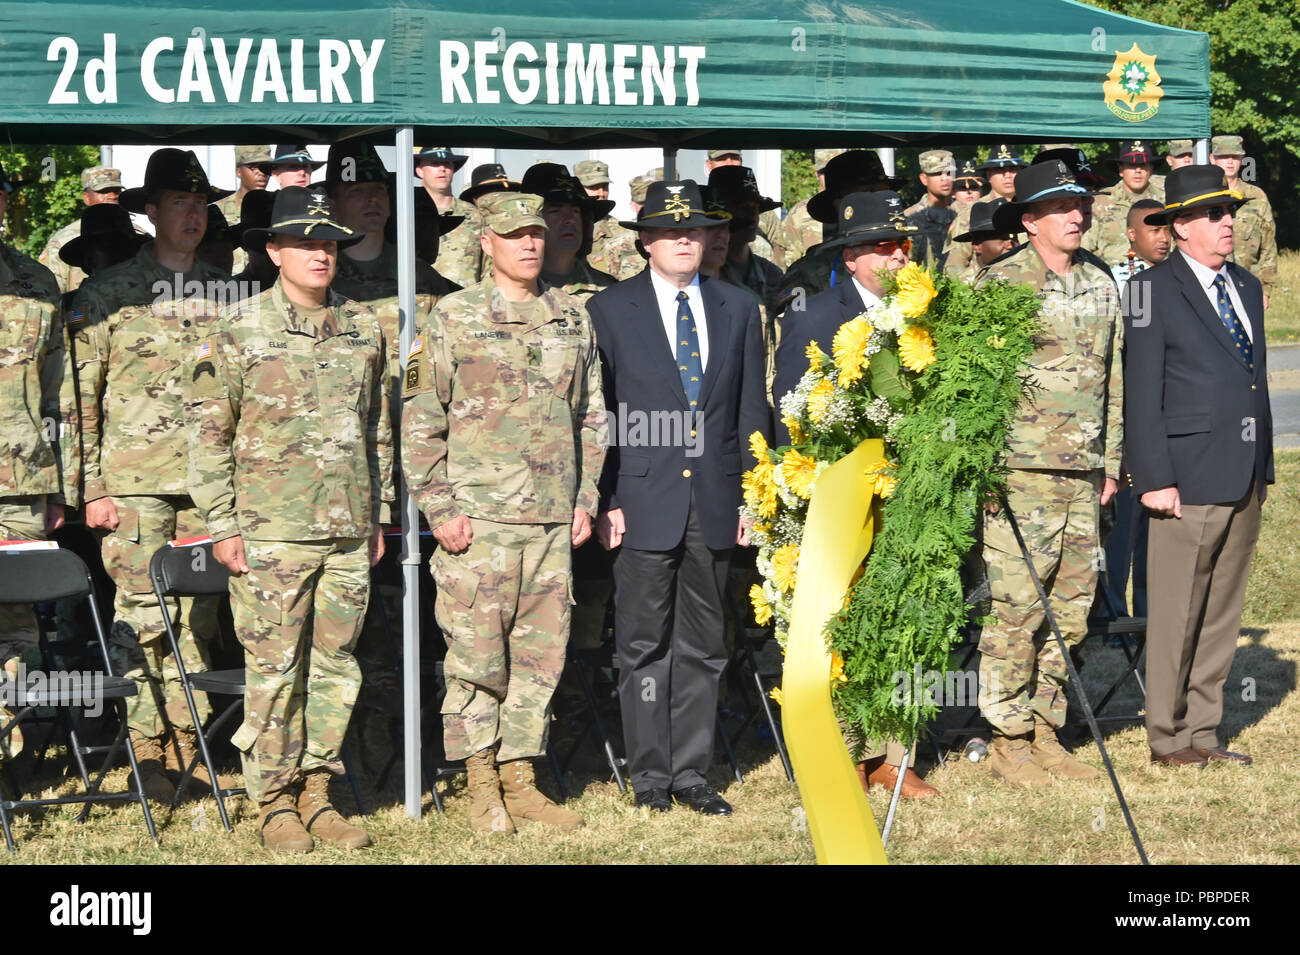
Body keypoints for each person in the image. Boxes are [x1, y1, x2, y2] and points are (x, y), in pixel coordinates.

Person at [187, 186, 387, 852]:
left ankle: (317, 792)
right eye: (305, 242)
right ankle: (272, 800)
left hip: (348, 529)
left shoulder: (364, 326)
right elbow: (209, 435)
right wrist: (223, 525)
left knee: (336, 664)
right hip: (271, 529)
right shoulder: (238, 328)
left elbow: (375, 429)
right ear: (273, 249)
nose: (320, 254)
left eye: (328, 243)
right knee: (274, 670)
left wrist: (378, 513)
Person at [402, 191, 607, 835]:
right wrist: (439, 505)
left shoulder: (572, 318)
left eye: (537, 234)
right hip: (479, 522)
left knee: (541, 658)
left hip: (550, 520)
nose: (529, 244)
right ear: (485, 242)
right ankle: (479, 780)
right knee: (476, 658)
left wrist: (586, 496)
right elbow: (419, 418)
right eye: (514, 234)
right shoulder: (452, 317)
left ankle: (522, 778)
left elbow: (593, 415)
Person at [589, 180, 771, 815]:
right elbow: (598, 416)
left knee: (704, 644)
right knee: (641, 645)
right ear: (645, 242)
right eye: (670, 231)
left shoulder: (739, 306)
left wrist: (755, 494)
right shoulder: (608, 310)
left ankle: (692, 773)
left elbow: (753, 410)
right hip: (639, 503)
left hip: (717, 501)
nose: (685, 239)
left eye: (693, 228)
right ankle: (648, 774)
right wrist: (605, 496)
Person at [67, 148, 233, 802]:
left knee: (200, 621)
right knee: (142, 618)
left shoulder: (226, 291)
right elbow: (77, 399)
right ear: (151, 211)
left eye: (202, 203)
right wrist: (90, 488)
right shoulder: (106, 295)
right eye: (181, 202)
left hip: (210, 488)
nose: (194, 214)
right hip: (133, 486)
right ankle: (147, 748)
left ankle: (189, 748)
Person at [974, 159, 1123, 787]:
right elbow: (972, 390)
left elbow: (1116, 378)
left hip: (1084, 477)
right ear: (1029, 219)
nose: (1077, 214)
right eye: (1062, 206)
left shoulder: (1101, 280)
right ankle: (1007, 738)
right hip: (1019, 477)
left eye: (1082, 204)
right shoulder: (998, 285)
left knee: (1072, 608)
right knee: (1017, 609)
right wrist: (983, 468)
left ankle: (1046, 731)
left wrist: (1112, 461)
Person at [1124, 165, 1273, 769]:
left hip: (1242, 473)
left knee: (1220, 614)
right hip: (1182, 479)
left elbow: (1251, 380)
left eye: (1230, 212)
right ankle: (1167, 736)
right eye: (1214, 214)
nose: (1228, 222)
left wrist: (1262, 464)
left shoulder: (1244, 281)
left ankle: (1204, 732)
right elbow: (1139, 392)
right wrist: (1153, 477)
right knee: (1177, 613)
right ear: (1181, 226)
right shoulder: (1147, 290)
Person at [324, 140, 459, 770]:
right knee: (362, 618)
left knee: (422, 613)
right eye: (356, 192)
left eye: (379, 191)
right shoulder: (320, 283)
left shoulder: (428, 286)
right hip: (350, 477)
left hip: (425, 476)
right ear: (333, 201)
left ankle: (423, 741)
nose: (372, 203)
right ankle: (365, 742)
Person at [0, 160, 66, 716]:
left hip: (21, 478)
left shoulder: (38, 282)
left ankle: (8, 750)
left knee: (17, 625)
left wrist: (56, 484)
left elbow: (55, 391)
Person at [1102, 197, 1170, 625]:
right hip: (1126, 417)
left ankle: (1149, 614)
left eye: (1167, 229)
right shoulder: (1113, 278)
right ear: (1131, 234)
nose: (1162, 237)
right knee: (1121, 529)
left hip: (1166, 416)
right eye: (1152, 228)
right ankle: (1112, 614)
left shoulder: (1181, 277)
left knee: (1154, 531)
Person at [778, 150, 904, 308]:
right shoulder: (809, 271)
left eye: (884, 192)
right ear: (840, 204)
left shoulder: (905, 257)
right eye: (867, 193)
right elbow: (798, 326)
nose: (879, 201)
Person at [1212, 135, 1278, 308]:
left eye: (1234, 156)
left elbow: (1268, 246)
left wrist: (1265, 289)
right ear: (1212, 158)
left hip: (1248, 283)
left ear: (1242, 159)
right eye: (1223, 157)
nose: (1229, 162)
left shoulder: (1257, 196)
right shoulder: (1205, 196)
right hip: (1210, 284)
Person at [39, 166, 126, 293]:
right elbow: (49, 294)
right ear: (86, 197)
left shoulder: (138, 236)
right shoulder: (62, 241)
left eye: (117, 191)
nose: (112, 196)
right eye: (104, 191)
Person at [943, 144, 1025, 277]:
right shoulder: (970, 214)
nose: (1008, 175)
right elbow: (954, 268)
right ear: (989, 175)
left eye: (1013, 169)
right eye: (1000, 170)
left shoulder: (1032, 209)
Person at [1083, 140, 1165, 270]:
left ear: (1151, 169)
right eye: (1132, 165)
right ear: (1121, 170)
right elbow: (1085, 248)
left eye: (1143, 165)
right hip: (1112, 279)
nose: (1138, 170)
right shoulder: (1101, 201)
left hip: (1159, 275)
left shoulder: (1164, 200)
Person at [414, 145, 482, 289]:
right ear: (419, 170)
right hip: (420, 302)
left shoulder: (474, 215)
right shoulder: (407, 214)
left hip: (464, 306)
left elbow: (488, 266)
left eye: (447, 164)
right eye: (434, 164)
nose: (442, 169)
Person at [771, 148, 843, 270]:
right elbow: (785, 262)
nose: (832, 176)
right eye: (825, 171)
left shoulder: (862, 206)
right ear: (816, 174)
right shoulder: (799, 213)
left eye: (838, 170)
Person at [575, 159, 639, 283]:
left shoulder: (623, 233)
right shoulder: (565, 228)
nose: (601, 193)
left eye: (605, 187)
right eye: (593, 187)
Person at [216, 145, 272, 275]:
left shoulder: (278, 207)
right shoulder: (218, 211)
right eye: (253, 167)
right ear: (238, 172)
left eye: (266, 167)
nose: (261, 173)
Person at [904, 149, 957, 268]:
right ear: (924, 178)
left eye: (949, 173)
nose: (944, 178)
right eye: (937, 174)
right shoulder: (910, 218)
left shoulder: (964, 214)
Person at [947, 198, 1014, 283]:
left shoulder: (1026, 278)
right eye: (1002, 239)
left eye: (1013, 237)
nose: (1010, 245)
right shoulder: (964, 288)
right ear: (977, 245)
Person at [230, 190, 278, 295]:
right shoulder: (227, 295)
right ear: (244, 245)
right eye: (262, 244)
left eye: (280, 243)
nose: (274, 253)